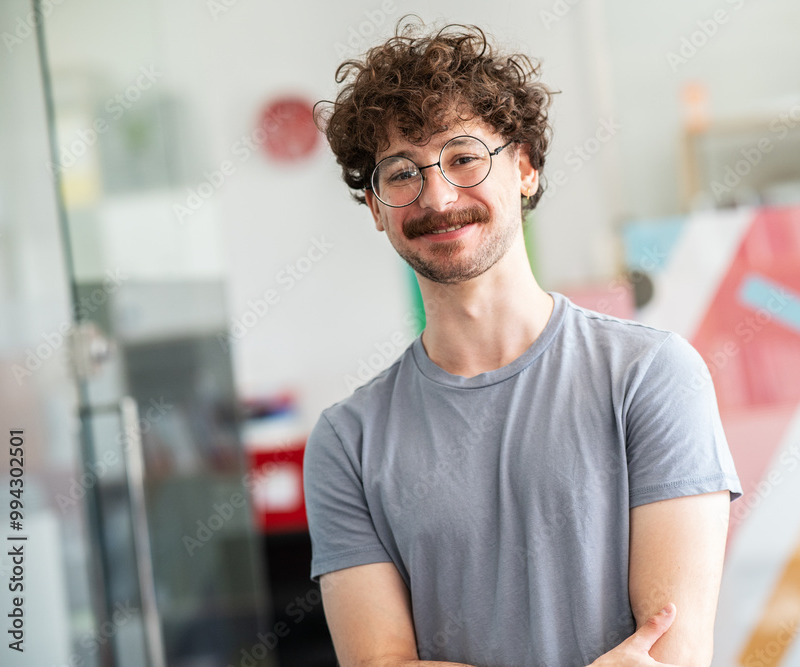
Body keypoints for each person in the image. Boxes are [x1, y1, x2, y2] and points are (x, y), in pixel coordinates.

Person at [304, 18, 741, 667]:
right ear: (374, 207)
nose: (438, 196)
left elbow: (672, 653)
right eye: (401, 173)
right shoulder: (347, 441)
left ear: (527, 167)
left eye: (463, 157)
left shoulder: (652, 376)